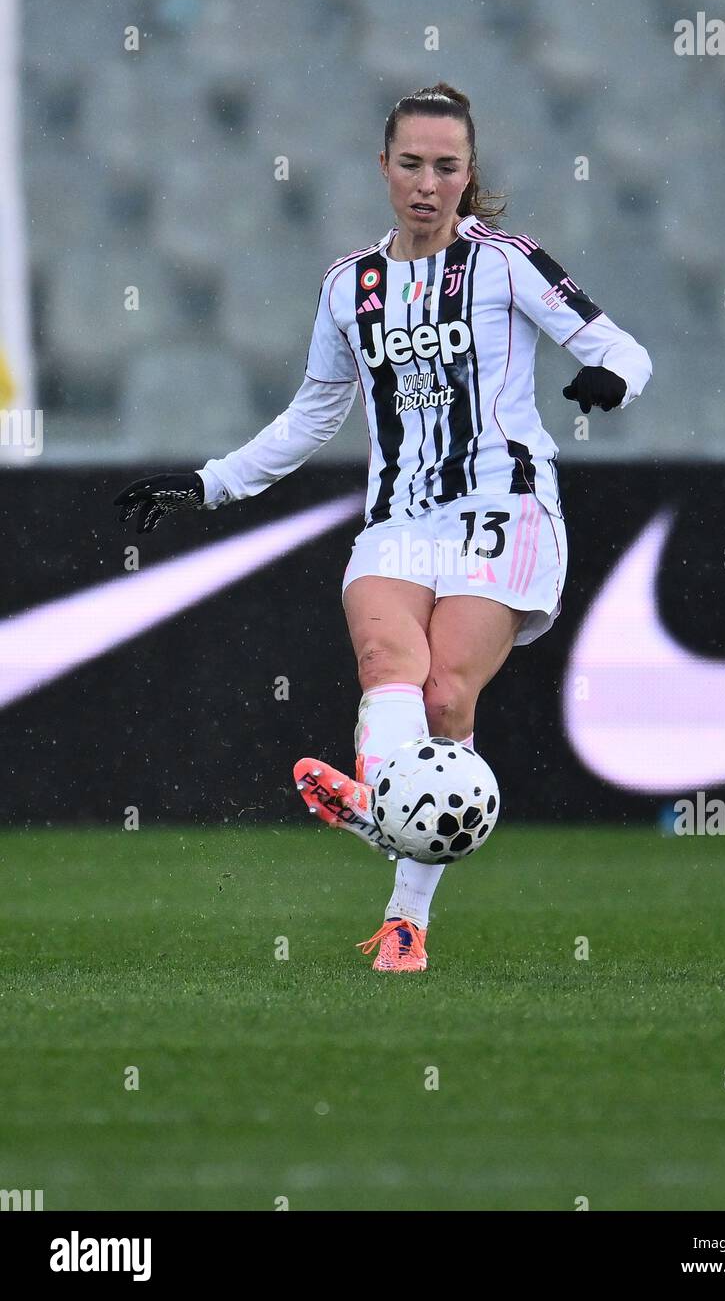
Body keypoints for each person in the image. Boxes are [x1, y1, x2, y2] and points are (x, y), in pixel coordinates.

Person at [114, 82, 652, 974]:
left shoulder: (507, 262)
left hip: (502, 503)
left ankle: (407, 910)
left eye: (446, 166)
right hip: (400, 516)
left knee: (445, 700)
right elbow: (309, 417)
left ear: (468, 172)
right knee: (384, 666)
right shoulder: (348, 287)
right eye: (411, 164)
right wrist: (207, 484)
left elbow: (622, 349)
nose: (428, 183)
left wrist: (609, 383)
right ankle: (386, 825)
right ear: (384, 168)